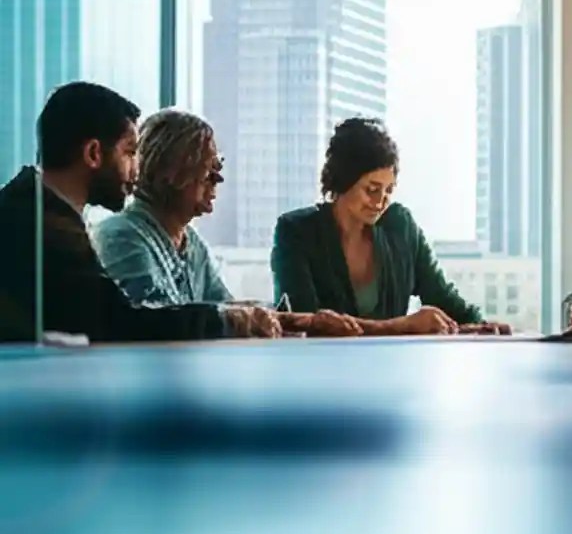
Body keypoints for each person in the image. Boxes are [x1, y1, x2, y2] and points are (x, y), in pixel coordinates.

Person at [0, 83, 284, 342]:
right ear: (94, 154)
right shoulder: (40, 228)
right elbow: (119, 322)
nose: (138, 170)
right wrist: (225, 319)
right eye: (130, 152)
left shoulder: (36, 213)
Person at [92, 110, 362, 337]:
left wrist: (307, 322)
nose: (217, 178)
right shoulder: (121, 236)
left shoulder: (193, 245)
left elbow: (226, 308)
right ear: (169, 170)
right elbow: (149, 323)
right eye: (207, 166)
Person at [272, 118, 499, 335]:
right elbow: (303, 323)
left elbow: (445, 300)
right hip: (317, 369)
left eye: (388, 190)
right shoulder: (296, 232)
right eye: (371, 190)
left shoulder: (400, 226)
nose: (380, 202)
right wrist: (402, 326)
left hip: (390, 368)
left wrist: (486, 327)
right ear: (343, 180)